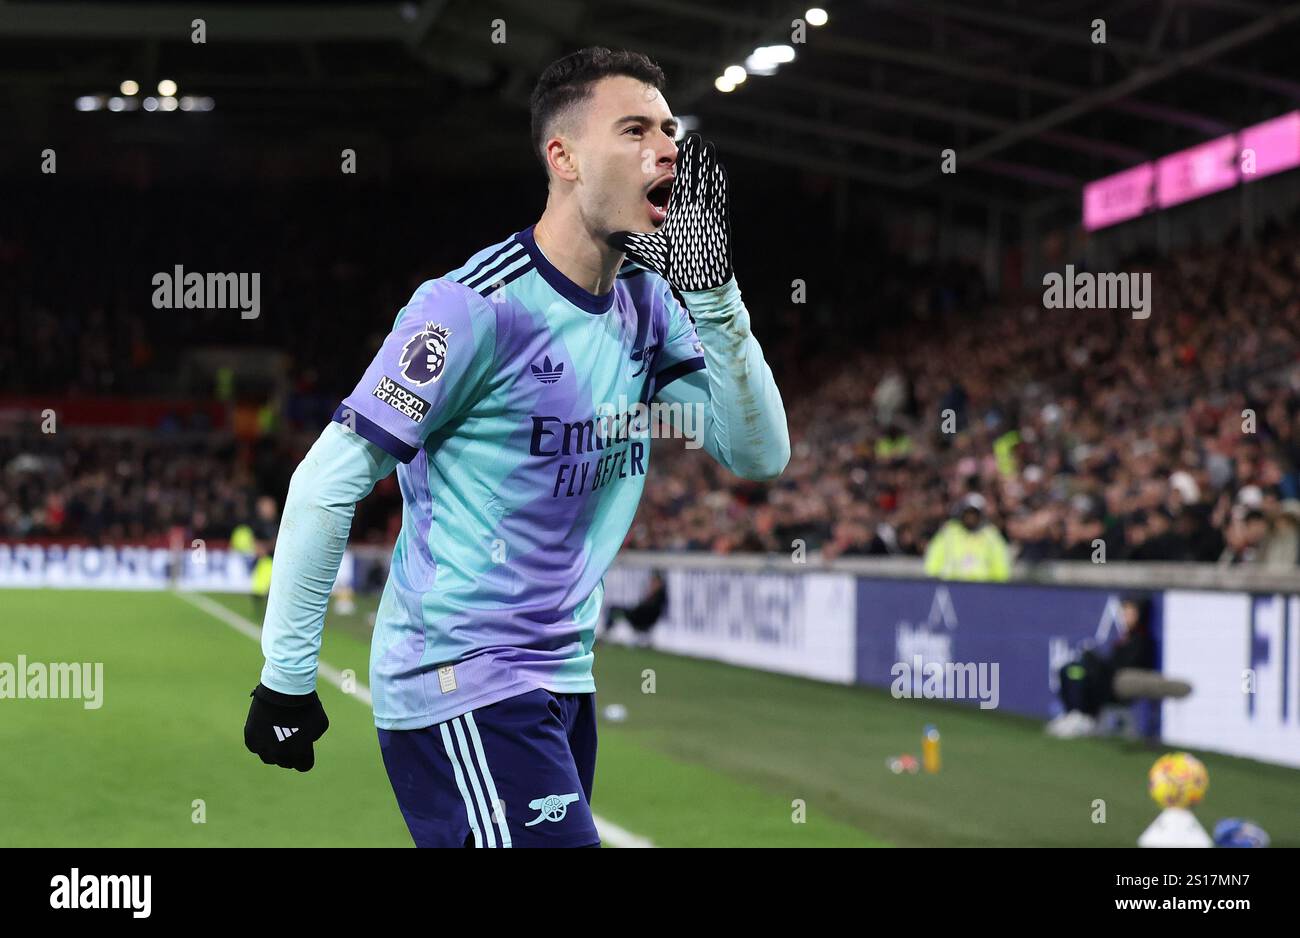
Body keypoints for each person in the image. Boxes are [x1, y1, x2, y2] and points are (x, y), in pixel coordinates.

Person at [241, 47, 790, 848]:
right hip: (462, 675)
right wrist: (287, 681)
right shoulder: (472, 308)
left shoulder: (649, 304)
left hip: (562, 679)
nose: (666, 148)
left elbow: (757, 452)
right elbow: (325, 482)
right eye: (634, 129)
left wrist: (714, 294)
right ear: (561, 157)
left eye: (670, 130)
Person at [1046, 596, 1190, 738]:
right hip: (1105, 679)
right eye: (1124, 611)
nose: (1126, 616)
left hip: (1113, 684)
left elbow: (1126, 666)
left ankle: (1082, 717)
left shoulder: (1142, 640)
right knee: (1072, 670)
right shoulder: (1124, 637)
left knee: (1082, 670)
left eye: (1131, 612)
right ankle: (1075, 713)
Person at [922, 493, 1011, 581]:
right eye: (968, 513)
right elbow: (933, 557)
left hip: (982, 587)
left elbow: (1001, 567)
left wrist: (998, 586)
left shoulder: (991, 536)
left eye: (974, 514)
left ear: (981, 515)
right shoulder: (949, 532)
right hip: (951, 584)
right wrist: (932, 579)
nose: (970, 517)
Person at [602, 570, 667, 644]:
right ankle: (606, 633)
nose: (652, 584)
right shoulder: (652, 596)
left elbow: (645, 611)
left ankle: (605, 635)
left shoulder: (658, 598)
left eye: (654, 582)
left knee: (614, 611)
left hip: (640, 619)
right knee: (613, 610)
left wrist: (635, 611)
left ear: (659, 584)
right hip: (637, 616)